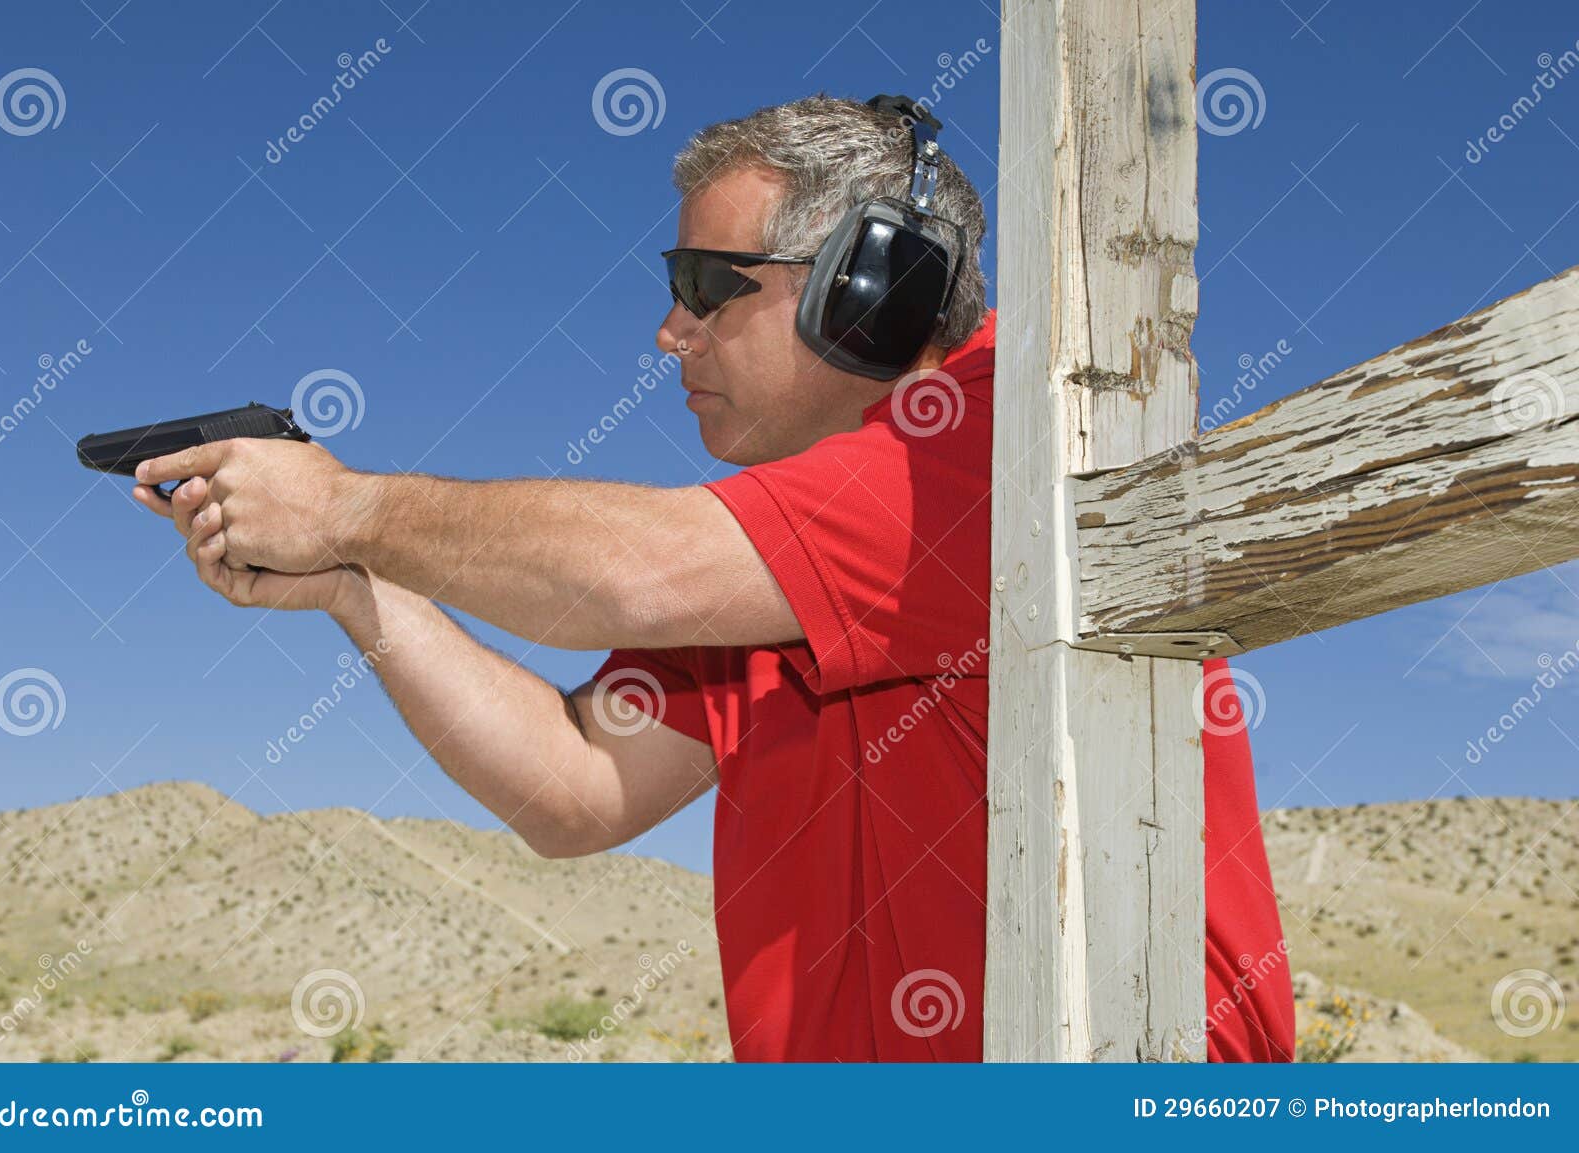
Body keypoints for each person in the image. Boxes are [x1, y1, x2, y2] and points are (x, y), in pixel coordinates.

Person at [133, 93, 1294, 1062]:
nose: (669, 332)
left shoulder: (1013, 441)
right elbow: (575, 788)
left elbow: (633, 574)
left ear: (869, 287)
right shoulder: (769, 564)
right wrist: (354, 582)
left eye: (705, 285)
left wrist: (349, 507)